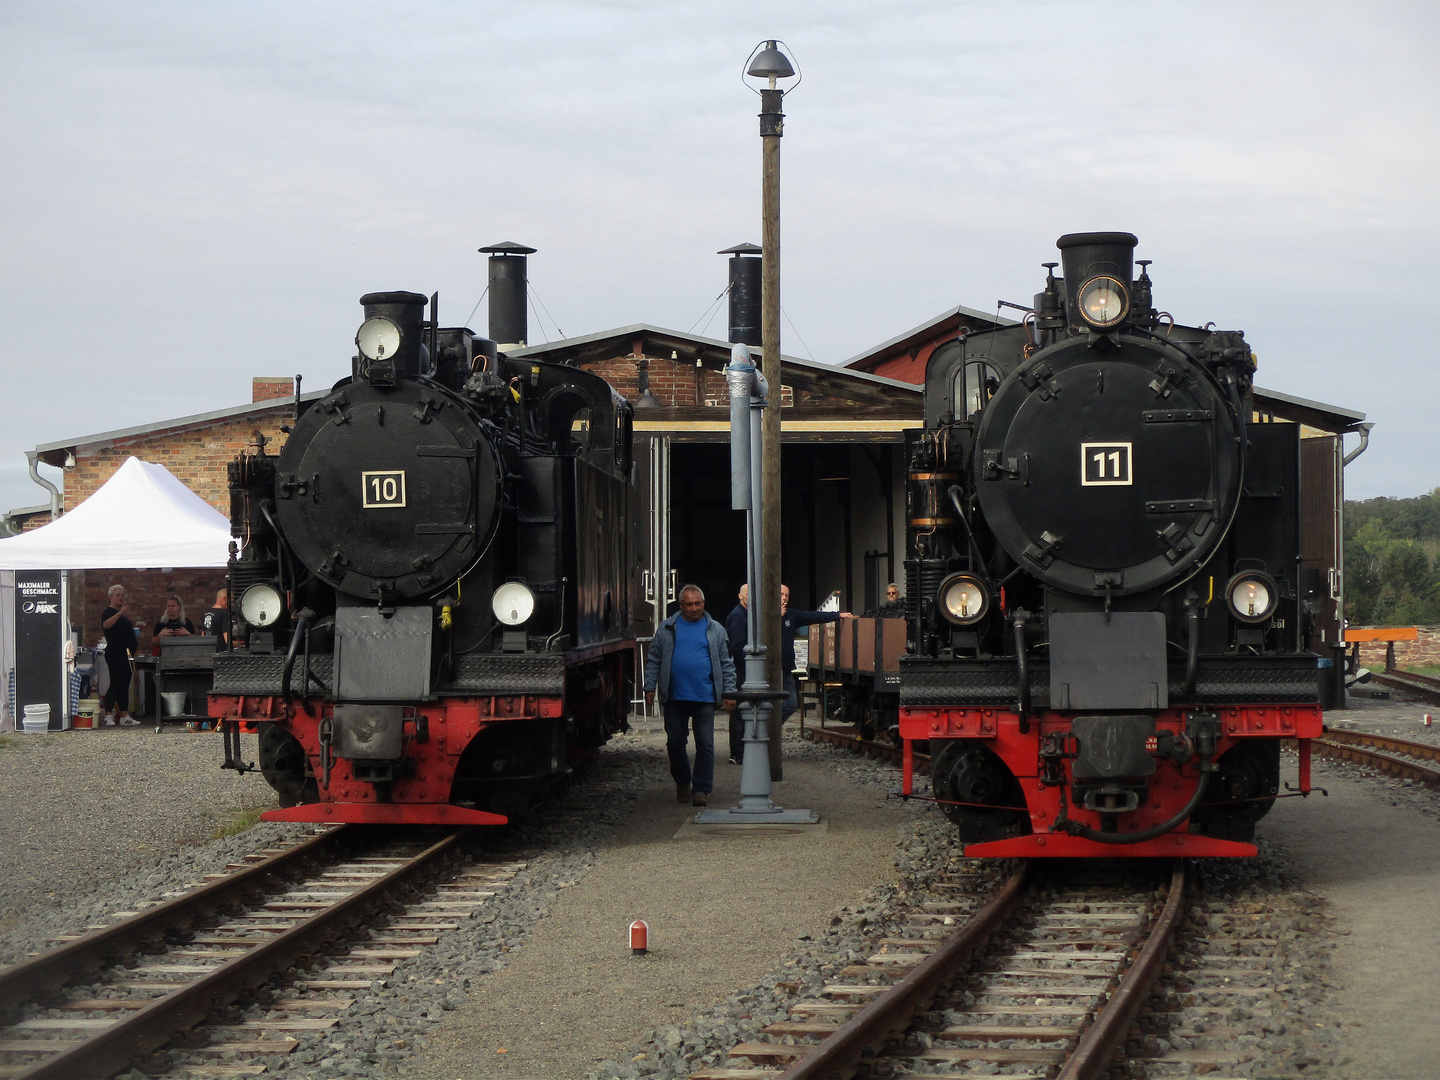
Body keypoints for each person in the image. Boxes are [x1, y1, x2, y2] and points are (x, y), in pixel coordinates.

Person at [644, 584, 736, 807]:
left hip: (704, 697)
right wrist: (650, 686)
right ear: (681, 605)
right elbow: (654, 658)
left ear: (703, 604)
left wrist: (729, 692)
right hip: (675, 696)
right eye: (689, 604)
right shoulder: (667, 628)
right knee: (675, 743)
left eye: (698, 604)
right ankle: (683, 781)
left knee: (705, 745)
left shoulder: (716, 630)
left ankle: (701, 789)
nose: (694, 608)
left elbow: (727, 663)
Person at [780, 584, 852, 726]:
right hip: (768, 670)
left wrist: (837, 615)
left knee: (790, 705)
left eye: (786, 595)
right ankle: (764, 734)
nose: (784, 598)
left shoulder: (791, 615)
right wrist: (778, 618)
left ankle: (770, 731)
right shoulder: (763, 616)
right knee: (768, 705)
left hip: (785, 669)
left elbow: (811, 616)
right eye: (781, 594)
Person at [100, 584, 140, 726]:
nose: (121, 597)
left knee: (124, 685)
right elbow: (106, 625)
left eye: (122, 595)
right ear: (111, 597)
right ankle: (108, 714)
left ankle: (124, 715)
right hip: (115, 654)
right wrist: (119, 613)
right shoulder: (109, 612)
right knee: (115, 683)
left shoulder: (123, 617)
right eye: (118, 595)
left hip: (127, 654)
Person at [724, 584, 749, 764]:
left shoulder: (747, 614)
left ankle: (741, 748)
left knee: (743, 710)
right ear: (740, 596)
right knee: (739, 711)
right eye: (748, 594)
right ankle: (737, 752)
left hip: (744, 668)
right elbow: (737, 646)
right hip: (741, 670)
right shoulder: (738, 616)